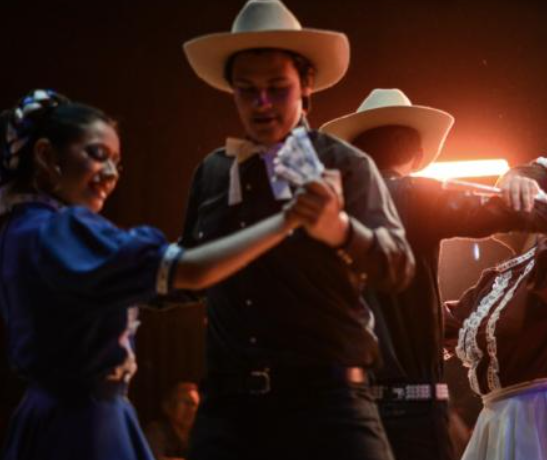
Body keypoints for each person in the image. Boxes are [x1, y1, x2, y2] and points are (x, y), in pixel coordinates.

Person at [0, 89, 333, 460]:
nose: (110, 175)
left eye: (117, 162)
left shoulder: (24, 228)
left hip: (50, 417)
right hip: (84, 425)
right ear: (47, 156)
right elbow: (189, 269)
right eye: (97, 155)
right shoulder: (60, 231)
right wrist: (288, 220)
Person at [180, 1, 414, 459]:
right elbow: (187, 271)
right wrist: (108, 277)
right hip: (230, 412)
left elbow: (398, 266)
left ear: (306, 85)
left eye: (276, 88)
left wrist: (342, 230)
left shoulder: (346, 164)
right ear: (231, 90)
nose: (261, 104)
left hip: (328, 405)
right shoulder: (213, 171)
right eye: (247, 90)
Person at [320, 89, 547, 460]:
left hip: (356, 407)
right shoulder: (421, 201)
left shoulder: (327, 214)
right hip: (433, 412)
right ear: (417, 154)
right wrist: (539, 204)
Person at [442, 159, 547, 460]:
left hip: (540, 419)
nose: (494, 202)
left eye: (504, 194)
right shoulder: (496, 280)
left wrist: (541, 206)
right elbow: (435, 324)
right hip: (497, 418)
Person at [144, 382, 200, 460]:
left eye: (194, 405)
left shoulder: (200, 434)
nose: (192, 410)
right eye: (186, 403)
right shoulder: (156, 431)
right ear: (167, 407)